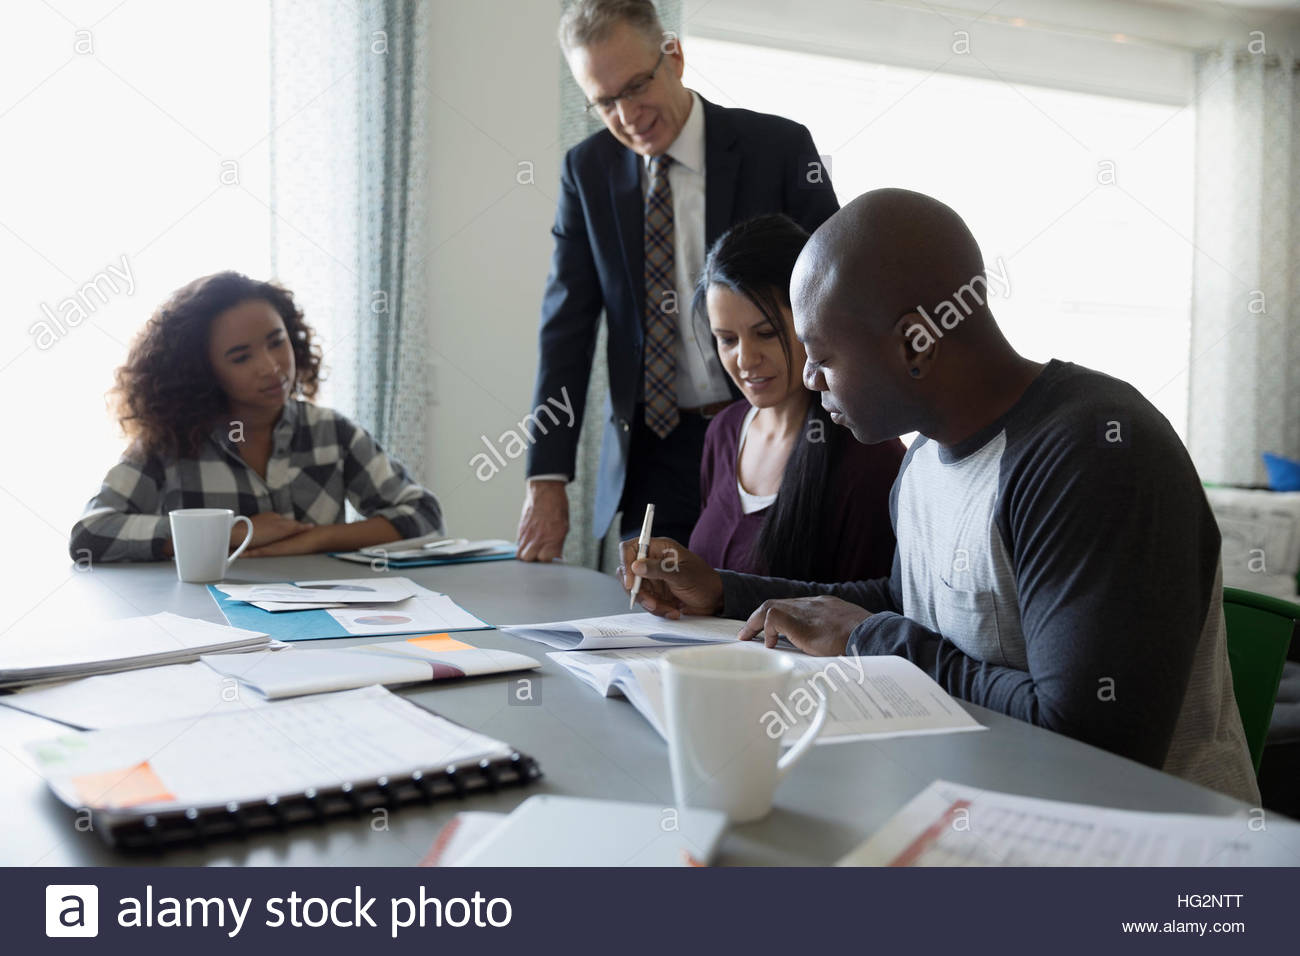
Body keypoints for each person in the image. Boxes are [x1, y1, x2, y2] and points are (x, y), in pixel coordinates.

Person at [620, 188, 1259, 803]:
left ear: (916, 342)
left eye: (822, 356)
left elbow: (1090, 744)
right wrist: (728, 593)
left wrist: (875, 640)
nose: (809, 379)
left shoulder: (1094, 453)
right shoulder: (925, 457)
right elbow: (911, 602)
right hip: (980, 809)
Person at [516, 0, 839, 561]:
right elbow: (565, 329)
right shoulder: (587, 171)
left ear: (675, 58)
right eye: (605, 102)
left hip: (771, 434)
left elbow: (834, 291)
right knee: (641, 625)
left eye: (637, 85)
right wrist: (546, 477)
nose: (628, 113)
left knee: (757, 615)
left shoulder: (778, 149)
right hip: (652, 451)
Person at [69, 271, 443, 563]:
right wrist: (230, 532)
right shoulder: (169, 443)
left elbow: (423, 514)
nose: (271, 367)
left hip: (324, 626)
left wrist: (315, 539)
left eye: (277, 342)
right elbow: (91, 534)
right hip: (212, 629)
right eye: (241, 357)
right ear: (203, 370)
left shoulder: (332, 432)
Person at [689, 214, 902, 580]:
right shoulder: (723, 431)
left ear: (812, 321)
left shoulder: (869, 454)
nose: (745, 360)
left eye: (766, 333)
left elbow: (870, 616)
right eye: (727, 339)